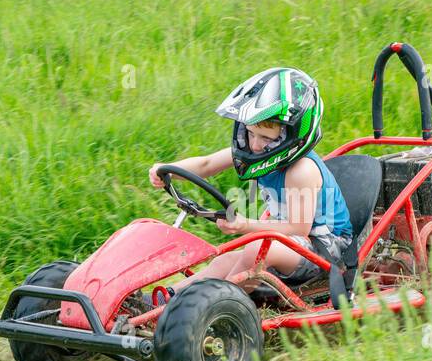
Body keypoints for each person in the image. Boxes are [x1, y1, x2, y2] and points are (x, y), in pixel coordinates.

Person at [147, 67, 353, 299]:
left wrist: (245, 225)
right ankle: (167, 298)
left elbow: (298, 230)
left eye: (266, 138)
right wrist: (168, 171)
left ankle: (216, 305)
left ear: (292, 135)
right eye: (251, 133)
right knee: (225, 260)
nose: (254, 145)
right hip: (292, 245)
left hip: (327, 251)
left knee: (256, 250)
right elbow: (206, 164)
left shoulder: (301, 171)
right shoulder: (260, 154)